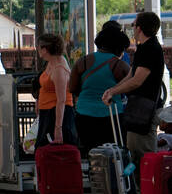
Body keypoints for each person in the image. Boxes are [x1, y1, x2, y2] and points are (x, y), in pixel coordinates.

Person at [103, 10, 168, 171]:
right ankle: (141, 190)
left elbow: (137, 80)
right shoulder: (144, 48)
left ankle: (147, 190)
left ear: (139, 28)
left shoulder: (150, 49)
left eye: (133, 25)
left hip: (145, 110)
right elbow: (132, 74)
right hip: (138, 109)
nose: (132, 28)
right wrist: (112, 90)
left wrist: (114, 92)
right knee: (134, 152)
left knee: (143, 155)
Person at [69, 21, 130, 157]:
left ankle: (93, 176)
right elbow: (131, 87)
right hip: (111, 115)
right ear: (119, 48)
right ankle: (112, 178)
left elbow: (72, 87)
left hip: (84, 114)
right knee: (113, 154)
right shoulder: (120, 66)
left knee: (91, 153)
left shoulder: (82, 61)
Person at [35, 33, 77, 148]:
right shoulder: (51, 62)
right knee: (43, 149)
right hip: (47, 112)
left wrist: (58, 128)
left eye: (38, 47)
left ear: (44, 49)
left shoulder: (59, 68)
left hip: (56, 114)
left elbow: (61, 100)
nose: (37, 49)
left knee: (51, 150)